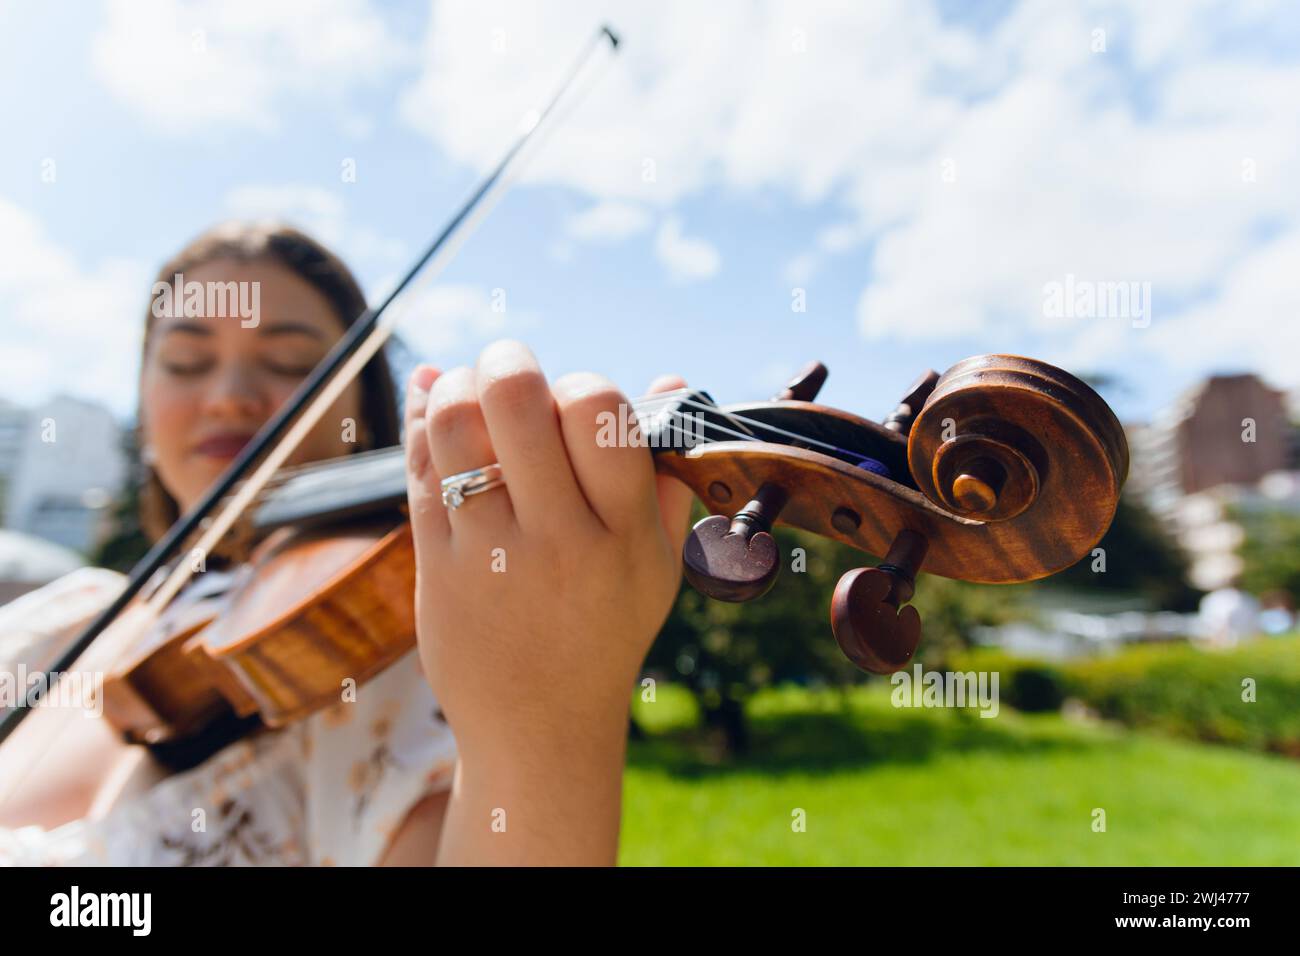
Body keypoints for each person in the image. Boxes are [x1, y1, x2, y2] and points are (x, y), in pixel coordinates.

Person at [0, 221, 691, 865]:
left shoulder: (394, 649)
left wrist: (547, 718)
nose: (230, 396)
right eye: (185, 362)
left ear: (364, 403)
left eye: (290, 360)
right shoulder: (65, 620)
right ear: (144, 403)